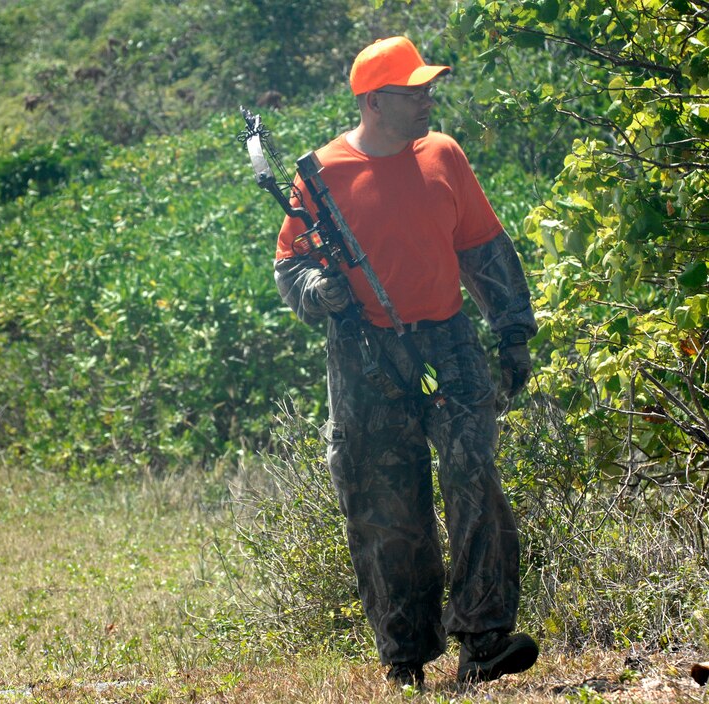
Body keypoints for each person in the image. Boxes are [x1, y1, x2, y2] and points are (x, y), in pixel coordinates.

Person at [273, 36, 539, 689]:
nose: (425, 100)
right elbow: (290, 267)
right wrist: (318, 290)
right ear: (372, 99)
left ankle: (484, 638)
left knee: (472, 477)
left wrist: (513, 333)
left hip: (448, 343)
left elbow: (485, 251)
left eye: (427, 89)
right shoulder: (321, 175)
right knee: (383, 503)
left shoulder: (444, 153)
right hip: (365, 354)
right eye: (410, 91)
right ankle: (405, 656)